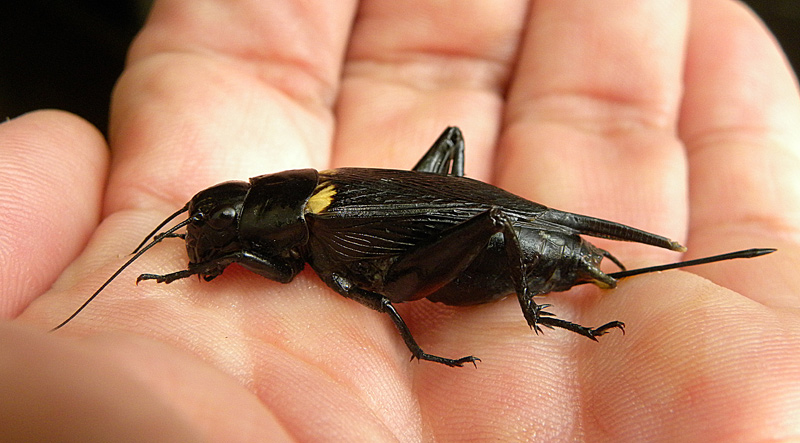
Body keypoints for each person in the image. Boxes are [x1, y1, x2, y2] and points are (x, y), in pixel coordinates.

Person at [2, 1, 799, 440]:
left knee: (482, 223)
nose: (219, 248)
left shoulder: (311, 235)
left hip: (491, 248)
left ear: (270, 217)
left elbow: (351, 283)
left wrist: (414, 337)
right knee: (465, 189)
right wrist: (197, 260)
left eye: (223, 236)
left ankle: (556, 298)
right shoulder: (310, 211)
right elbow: (274, 262)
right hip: (454, 241)